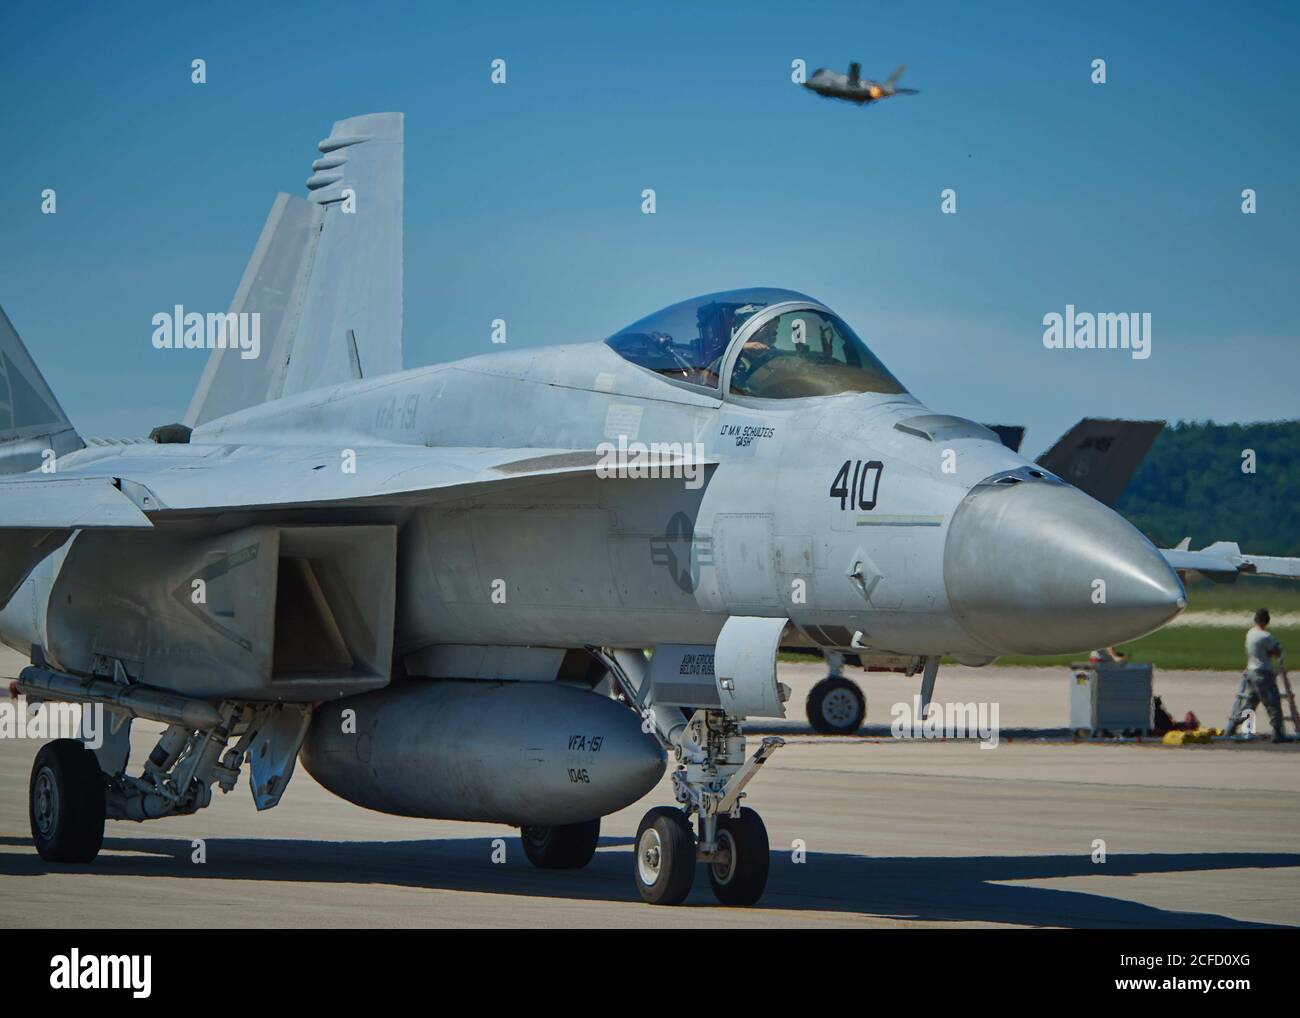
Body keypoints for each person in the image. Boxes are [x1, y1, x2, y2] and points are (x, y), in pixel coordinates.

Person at [1226, 609, 1287, 742]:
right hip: (1263, 673)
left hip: (1251, 672)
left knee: (1250, 704)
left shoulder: (1250, 633)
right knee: (1273, 703)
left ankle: (1232, 726)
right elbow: (1276, 651)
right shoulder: (1265, 636)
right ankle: (1277, 733)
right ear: (1267, 621)